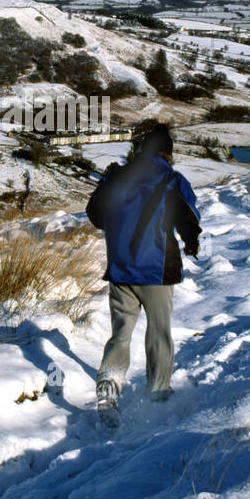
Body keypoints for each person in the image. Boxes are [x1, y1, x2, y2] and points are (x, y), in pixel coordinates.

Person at [85, 122, 202, 427]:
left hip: (120, 269)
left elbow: (96, 216)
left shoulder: (116, 176)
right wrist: (192, 243)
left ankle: (109, 387)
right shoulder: (172, 179)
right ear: (167, 151)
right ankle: (158, 391)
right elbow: (189, 218)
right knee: (159, 330)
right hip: (157, 269)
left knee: (121, 332)